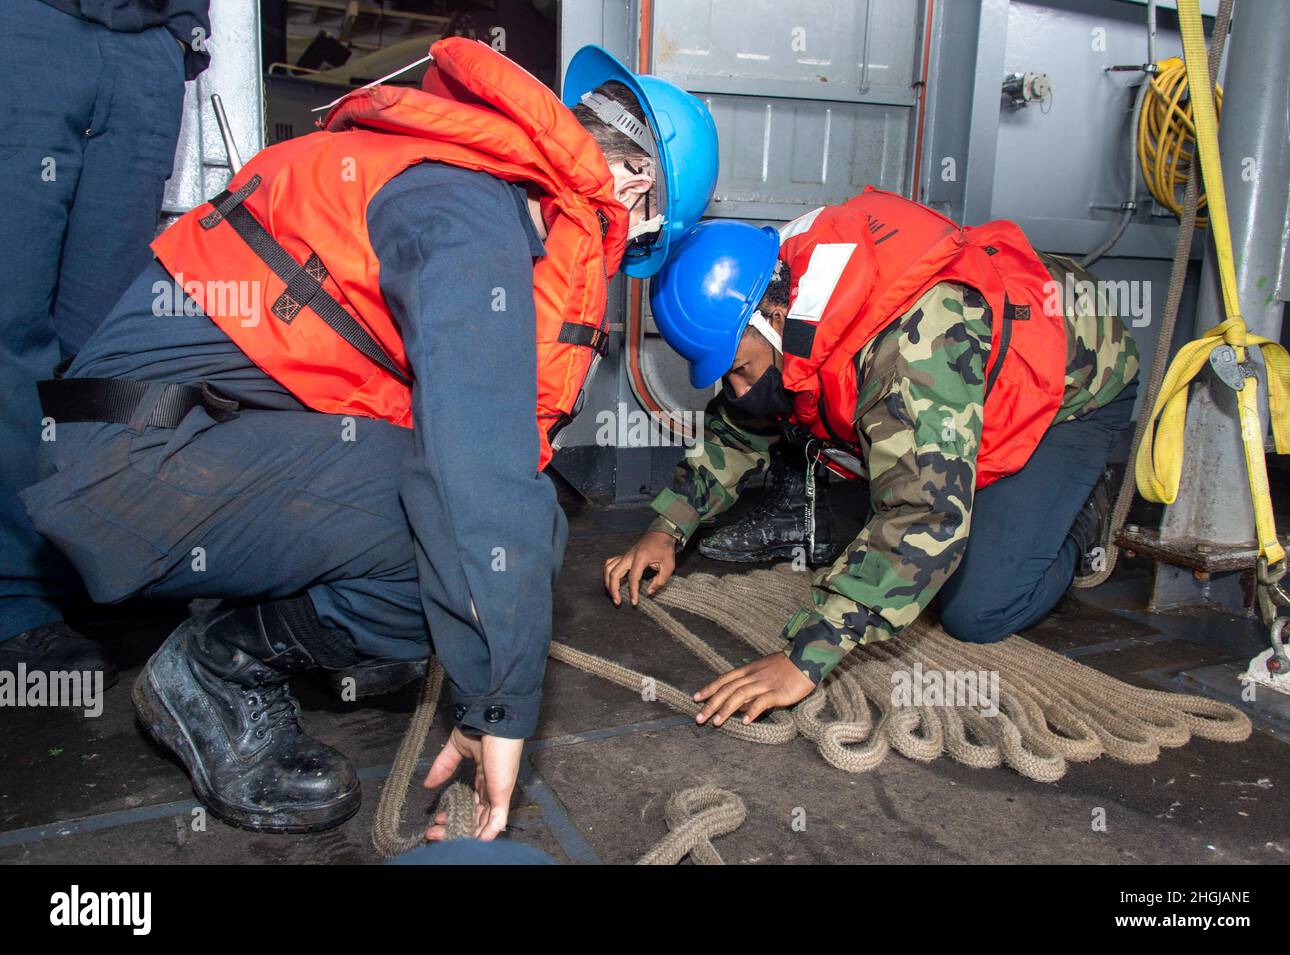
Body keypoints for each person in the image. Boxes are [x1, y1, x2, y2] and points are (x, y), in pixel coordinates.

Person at [19, 38, 718, 837]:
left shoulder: (446, 170)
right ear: (630, 187)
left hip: (146, 429)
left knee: (451, 523)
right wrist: (501, 705)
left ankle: (282, 612)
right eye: (633, 240)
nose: (610, 257)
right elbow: (480, 479)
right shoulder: (469, 217)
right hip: (123, 464)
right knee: (485, 529)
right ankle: (215, 668)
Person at [605, 189, 1139, 727]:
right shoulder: (783, 292)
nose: (738, 389)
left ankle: (1073, 526)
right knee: (906, 525)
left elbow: (926, 514)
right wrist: (668, 527)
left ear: (774, 316)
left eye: (740, 367)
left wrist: (803, 659)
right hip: (975, 374)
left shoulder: (908, 351)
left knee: (977, 610)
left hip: (1071, 385)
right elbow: (740, 423)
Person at [0, 0, 211, 685]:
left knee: (104, 347)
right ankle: (15, 598)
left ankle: (87, 567)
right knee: (11, 329)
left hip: (146, 43)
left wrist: (179, 36)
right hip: (30, 27)